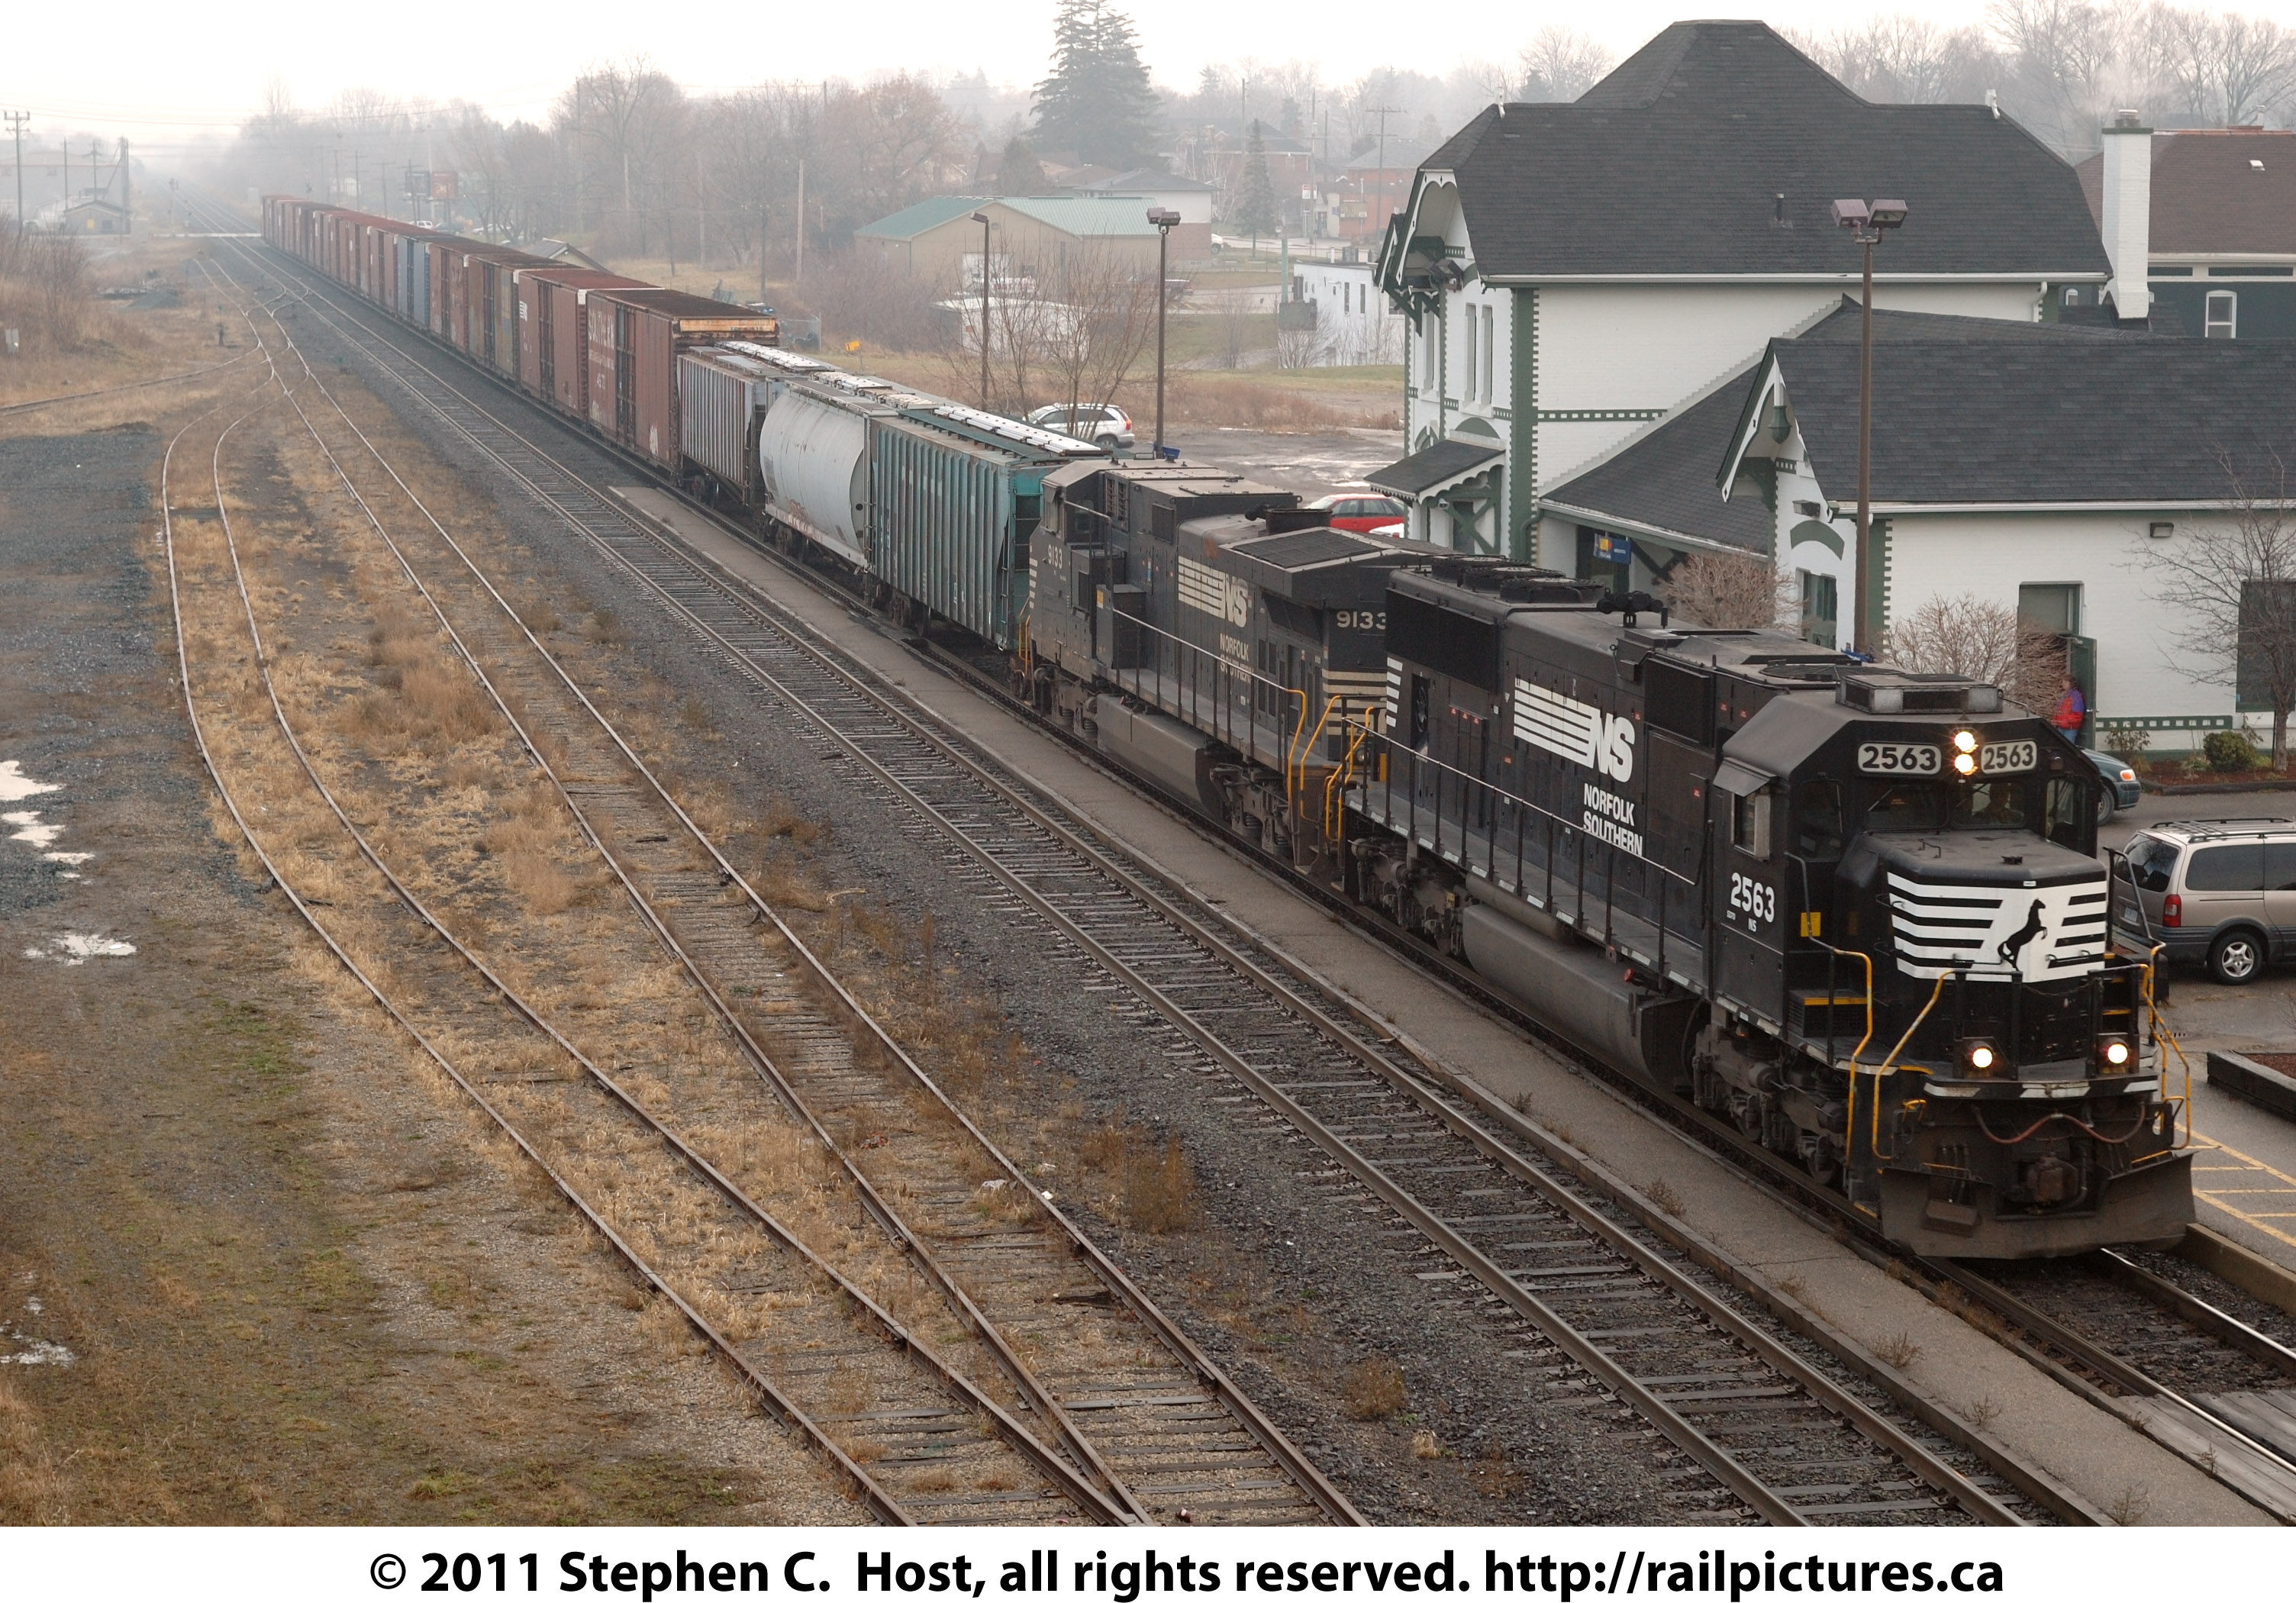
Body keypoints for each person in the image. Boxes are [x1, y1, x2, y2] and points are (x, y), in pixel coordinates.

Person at [2052, 674, 2086, 739]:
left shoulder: (2076, 696)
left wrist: (2067, 721)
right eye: (2063, 682)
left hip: (2070, 728)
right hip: (2061, 727)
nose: (2063, 684)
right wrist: (2055, 720)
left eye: (2065, 682)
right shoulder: (2063, 695)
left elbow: (2078, 714)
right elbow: (2058, 710)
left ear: (2071, 683)